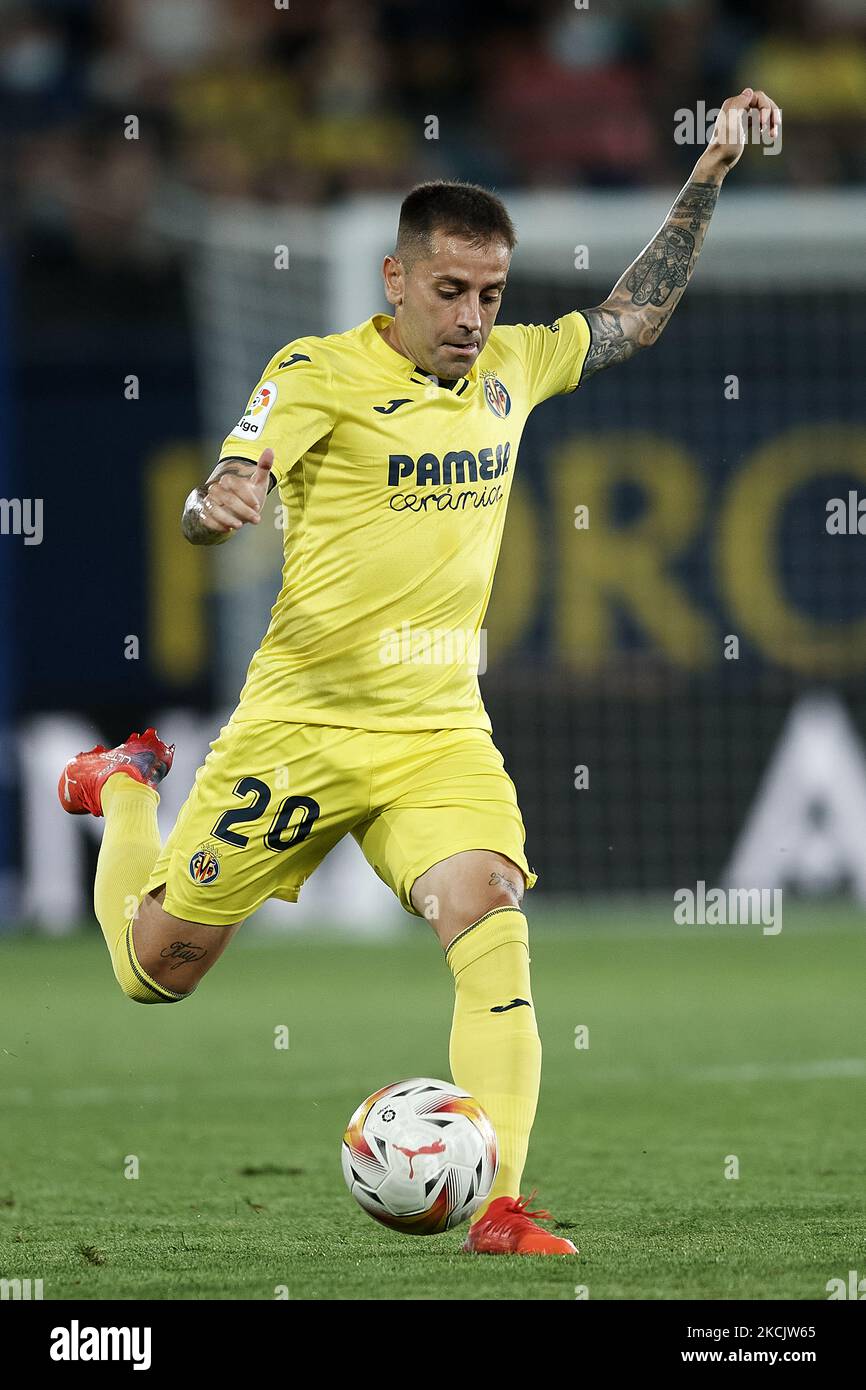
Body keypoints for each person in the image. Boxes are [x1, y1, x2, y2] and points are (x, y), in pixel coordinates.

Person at [59, 88, 779, 1257]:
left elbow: (630, 321)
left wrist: (710, 166)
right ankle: (124, 784)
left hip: (436, 729)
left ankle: (500, 1209)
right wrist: (215, 502)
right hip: (301, 725)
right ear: (393, 279)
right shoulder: (315, 372)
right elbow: (223, 487)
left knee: (488, 911)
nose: (471, 314)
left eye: (489, 292)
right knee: (154, 974)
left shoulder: (513, 366)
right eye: (449, 290)